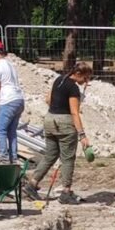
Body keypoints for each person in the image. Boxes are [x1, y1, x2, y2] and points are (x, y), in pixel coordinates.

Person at [27, 61, 95, 205]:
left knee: (50, 155)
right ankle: (65, 192)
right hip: (65, 124)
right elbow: (74, 113)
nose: (86, 82)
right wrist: (82, 135)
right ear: (78, 74)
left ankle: (32, 184)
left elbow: (48, 99)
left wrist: (59, 106)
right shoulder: (73, 88)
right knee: (67, 158)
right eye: (85, 78)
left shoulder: (59, 79)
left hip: (50, 120)